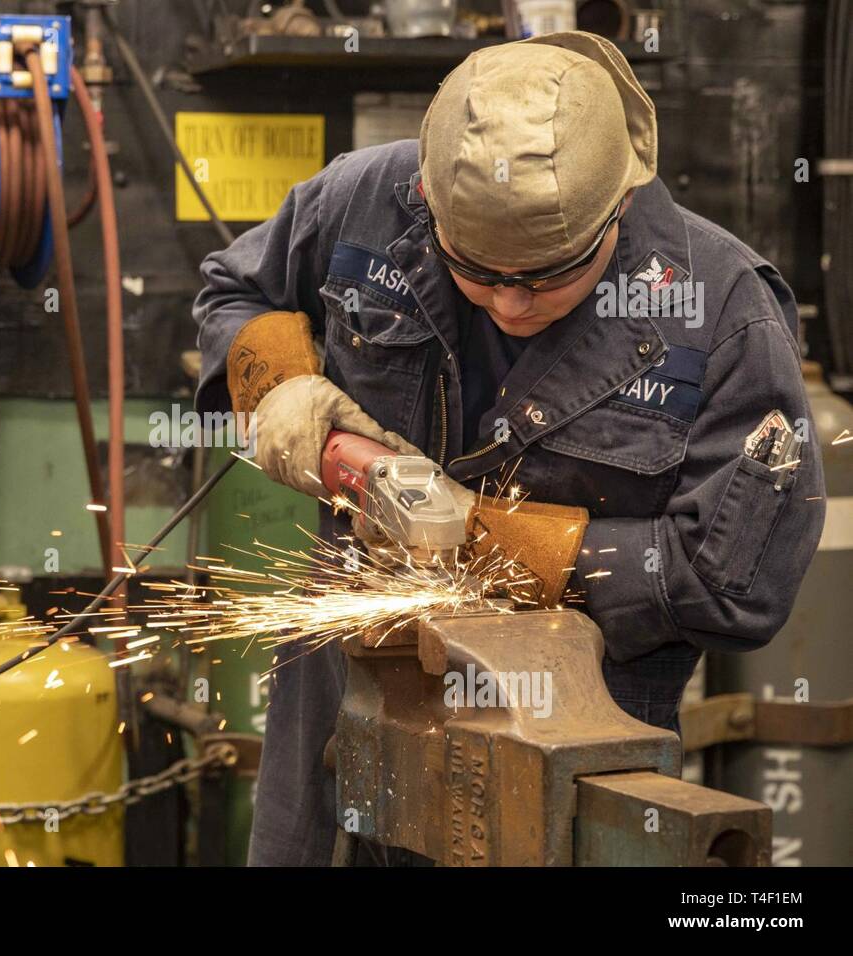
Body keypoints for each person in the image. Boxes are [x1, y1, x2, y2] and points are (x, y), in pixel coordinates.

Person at [191, 31, 826, 866]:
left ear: (618, 208)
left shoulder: (721, 311)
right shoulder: (365, 201)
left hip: (564, 751)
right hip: (338, 712)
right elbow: (236, 288)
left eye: (547, 276)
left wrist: (488, 539)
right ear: (427, 196)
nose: (510, 303)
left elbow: (733, 584)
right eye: (477, 271)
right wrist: (277, 385)